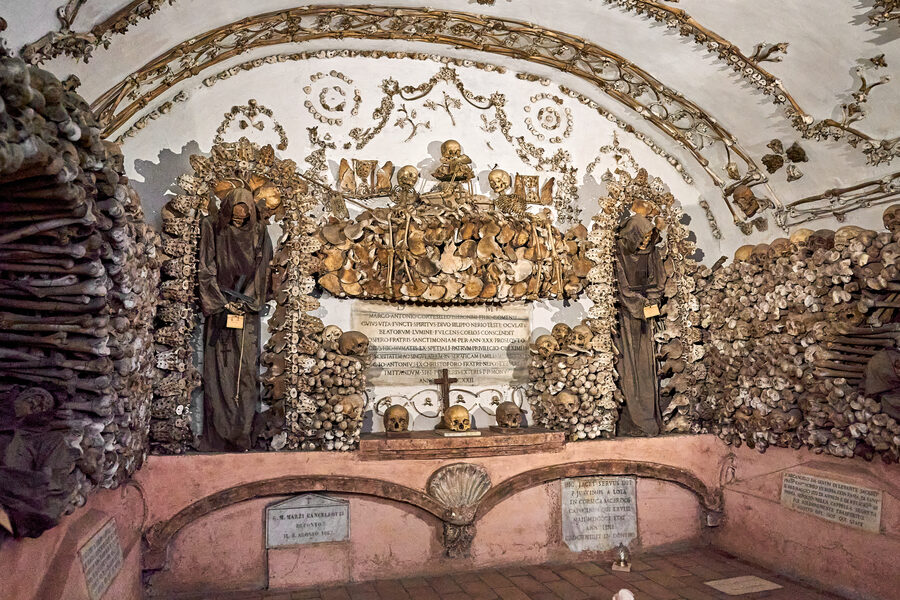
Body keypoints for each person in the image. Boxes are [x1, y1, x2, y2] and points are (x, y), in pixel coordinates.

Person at [198, 188, 273, 451]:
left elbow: (263, 271)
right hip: (220, 311)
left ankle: (242, 434)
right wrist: (221, 302)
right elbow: (206, 267)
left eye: (243, 218)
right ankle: (219, 434)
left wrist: (246, 302)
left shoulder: (260, 232)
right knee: (218, 370)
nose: (238, 222)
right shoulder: (211, 227)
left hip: (245, 314)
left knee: (245, 372)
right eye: (234, 217)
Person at [614, 213, 665, 436]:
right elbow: (622, 288)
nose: (644, 244)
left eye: (648, 239)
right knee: (629, 369)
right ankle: (632, 420)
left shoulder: (650, 251)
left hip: (646, 319)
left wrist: (652, 302)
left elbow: (657, 280)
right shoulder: (618, 252)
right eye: (641, 239)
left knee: (646, 368)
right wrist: (641, 306)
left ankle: (648, 417)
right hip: (626, 319)